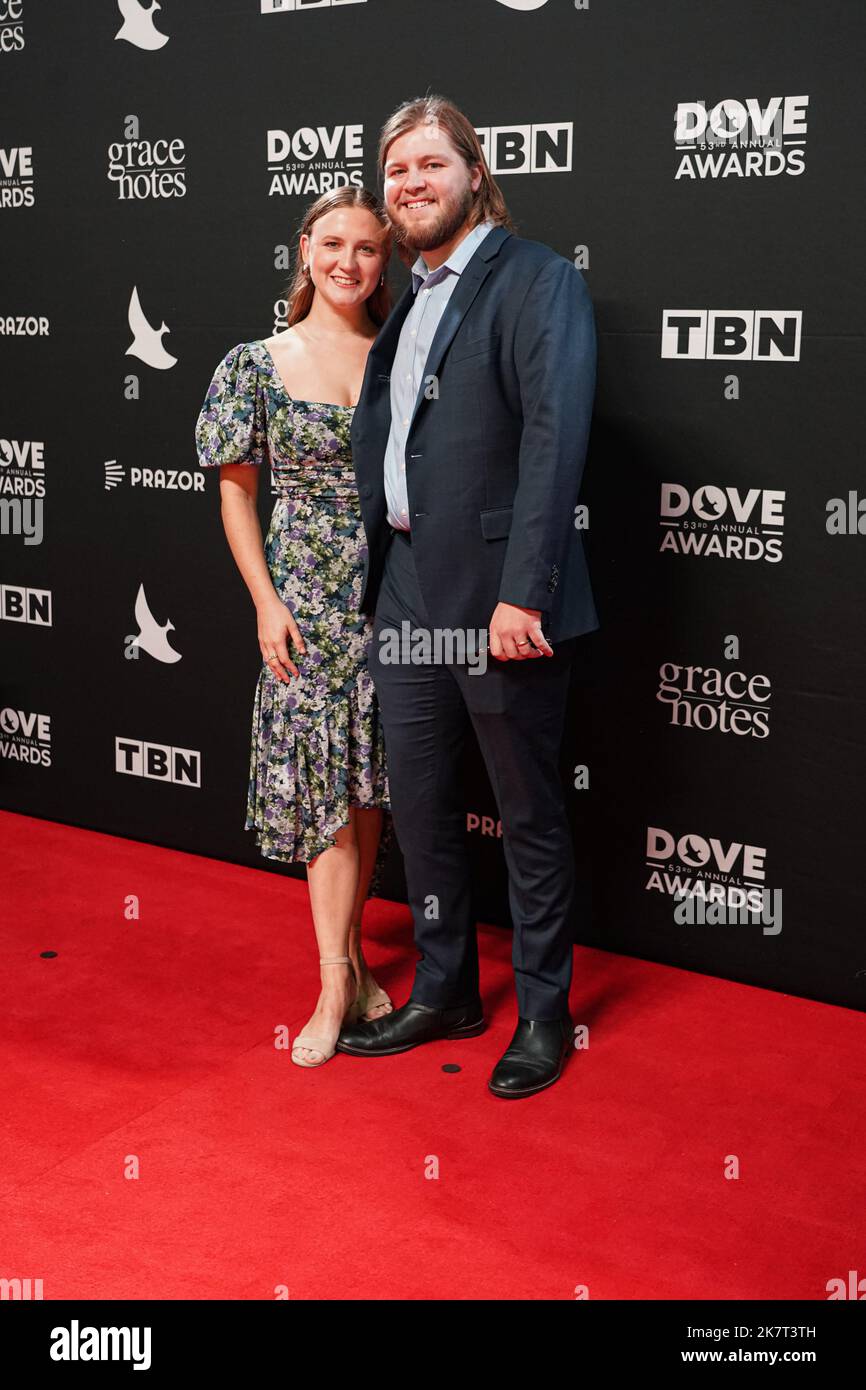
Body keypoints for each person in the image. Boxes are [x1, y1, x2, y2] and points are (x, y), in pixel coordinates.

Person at [336, 96, 599, 1098]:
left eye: (428, 164)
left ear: (473, 174)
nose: (408, 183)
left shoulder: (535, 280)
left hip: (497, 599)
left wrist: (522, 590)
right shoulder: (409, 302)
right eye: (393, 168)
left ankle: (542, 1010)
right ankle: (445, 986)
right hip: (405, 588)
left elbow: (551, 438)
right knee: (423, 800)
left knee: (526, 809)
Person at [194, 188, 396, 1069]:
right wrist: (266, 601)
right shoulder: (255, 362)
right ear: (304, 249)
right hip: (307, 605)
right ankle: (330, 983)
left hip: (396, 596)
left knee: (368, 783)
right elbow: (237, 491)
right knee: (321, 794)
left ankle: (352, 959)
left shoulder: (398, 355)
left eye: (368, 249)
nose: (349, 263)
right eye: (333, 244)